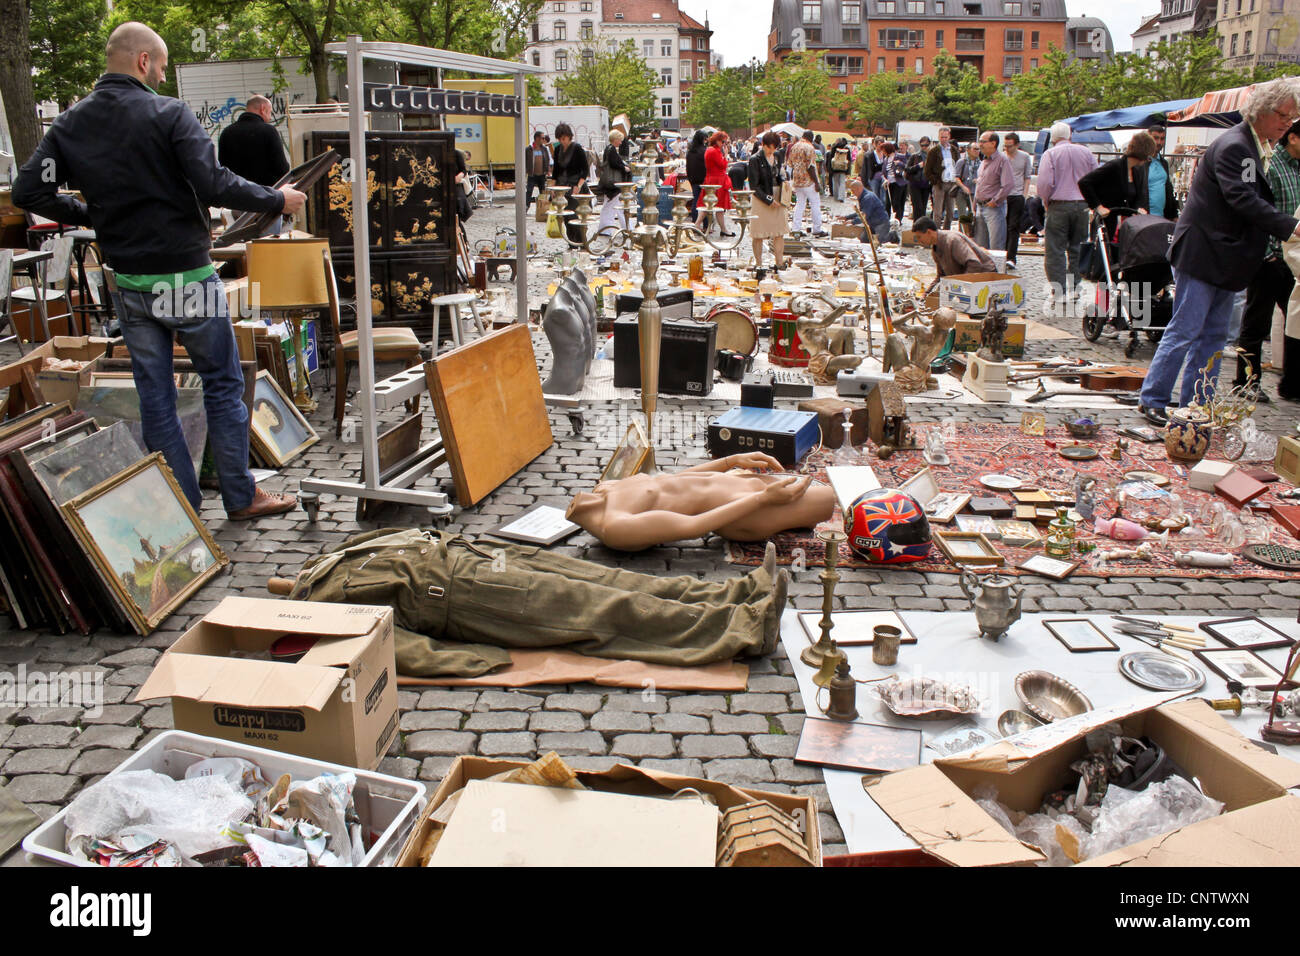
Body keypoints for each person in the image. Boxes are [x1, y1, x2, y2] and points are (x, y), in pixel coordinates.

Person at [13, 22, 303, 519]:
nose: (162, 77)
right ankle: (241, 496)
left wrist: (93, 215)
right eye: (163, 67)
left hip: (127, 279)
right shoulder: (168, 112)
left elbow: (28, 194)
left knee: (156, 396)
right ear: (143, 61)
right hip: (184, 278)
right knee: (222, 383)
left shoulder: (68, 125)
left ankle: (184, 509)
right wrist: (277, 197)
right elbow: (213, 183)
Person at [287, 528, 790, 675]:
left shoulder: (335, 557)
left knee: (607, 580)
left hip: (482, 558)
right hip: (470, 597)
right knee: (600, 610)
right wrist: (474, 660)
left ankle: (736, 592)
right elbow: (390, 646)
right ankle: (744, 629)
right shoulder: (321, 605)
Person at [1139, 78, 1300, 426]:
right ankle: (1153, 397)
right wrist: (1290, 226)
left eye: (1293, 117)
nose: (1289, 123)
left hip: (1226, 256)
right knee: (1186, 329)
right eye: (1284, 115)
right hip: (1205, 252)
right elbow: (1242, 198)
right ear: (1262, 111)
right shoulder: (1236, 146)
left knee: (1213, 336)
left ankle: (1199, 401)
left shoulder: (1255, 145)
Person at [566, 452, 833, 552]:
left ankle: (795, 522)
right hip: (742, 510)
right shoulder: (616, 527)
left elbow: (672, 482)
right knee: (830, 500)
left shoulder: (606, 487)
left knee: (813, 492)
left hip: (738, 487)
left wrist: (730, 461)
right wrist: (762, 499)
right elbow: (693, 526)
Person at [1236, 117, 1300, 402]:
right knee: (1256, 323)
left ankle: (1292, 384)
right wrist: (1266, 255)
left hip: (1293, 259)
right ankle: (1246, 381)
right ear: (1294, 138)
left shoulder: (1296, 169)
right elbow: (1254, 207)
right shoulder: (1271, 164)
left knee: (1295, 325)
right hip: (1270, 257)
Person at [1036, 122, 1098, 308]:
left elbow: (1045, 183)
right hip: (1082, 205)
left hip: (1059, 204)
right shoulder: (1086, 152)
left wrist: (1046, 201)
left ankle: (1059, 290)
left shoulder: (1051, 154)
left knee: (1055, 249)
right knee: (1077, 247)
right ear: (1070, 135)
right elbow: (1096, 176)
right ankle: (1075, 287)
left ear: (1053, 138)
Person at [217, 95, 289, 234]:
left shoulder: (227, 133)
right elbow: (282, 169)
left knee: (244, 248)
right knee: (267, 249)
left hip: (238, 203)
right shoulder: (269, 132)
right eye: (270, 112)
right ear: (263, 109)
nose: (269, 117)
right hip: (266, 202)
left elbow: (223, 169)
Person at [1079, 132, 1154, 241]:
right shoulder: (1114, 166)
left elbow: (1137, 196)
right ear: (1143, 154)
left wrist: (1138, 209)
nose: (1148, 160)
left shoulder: (1137, 171)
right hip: (1108, 224)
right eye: (1148, 157)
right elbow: (1084, 182)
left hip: (1126, 228)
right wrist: (1098, 206)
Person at [748, 131, 787, 270]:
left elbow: (780, 175)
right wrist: (768, 199)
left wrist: (786, 186)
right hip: (761, 198)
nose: (772, 150)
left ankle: (779, 262)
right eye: (769, 147)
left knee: (779, 232)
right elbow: (754, 186)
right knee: (758, 233)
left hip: (778, 195)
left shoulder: (777, 156)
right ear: (763, 145)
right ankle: (758, 263)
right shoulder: (755, 159)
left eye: (774, 148)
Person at [911, 216, 997, 277]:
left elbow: (974, 264)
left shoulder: (952, 240)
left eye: (919, 237)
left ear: (929, 232)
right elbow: (941, 277)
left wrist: (961, 285)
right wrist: (927, 294)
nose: (919, 241)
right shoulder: (935, 249)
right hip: (966, 279)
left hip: (985, 276)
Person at [974, 131, 1014, 254]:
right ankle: (983, 272)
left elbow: (1008, 184)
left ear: (993, 143)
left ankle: (995, 272)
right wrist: (975, 204)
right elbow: (980, 183)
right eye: (979, 141)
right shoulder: (984, 161)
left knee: (995, 247)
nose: (980, 144)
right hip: (980, 207)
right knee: (980, 246)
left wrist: (995, 201)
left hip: (993, 209)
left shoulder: (1002, 160)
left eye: (983, 141)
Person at [550, 122, 589, 243]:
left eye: (564, 138)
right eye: (560, 139)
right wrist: (552, 187)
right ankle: (571, 243)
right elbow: (555, 171)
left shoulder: (577, 148)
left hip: (574, 186)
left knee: (574, 216)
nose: (562, 141)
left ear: (569, 136)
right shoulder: (557, 150)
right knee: (565, 217)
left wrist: (578, 185)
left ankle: (580, 243)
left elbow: (585, 170)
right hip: (561, 187)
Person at [1002, 132, 1033, 271]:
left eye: (1010, 146)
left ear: (1017, 145)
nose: (1007, 149)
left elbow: (1027, 176)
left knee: (1013, 226)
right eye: (1005, 146)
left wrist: (1024, 194)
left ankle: (1011, 257)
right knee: (1002, 225)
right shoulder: (1002, 156)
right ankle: (1002, 253)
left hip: (1017, 195)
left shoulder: (1025, 157)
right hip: (1002, 195)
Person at [697, 130, 735, 236]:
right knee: (716, 205)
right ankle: (721, 228)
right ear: (717, 141)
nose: (724, 144)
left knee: (711, 205)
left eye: (725, 142)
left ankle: (721, 228)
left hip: (713, 179)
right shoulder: (714, 151)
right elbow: (722, 165)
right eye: (723, 142)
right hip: (717, 181)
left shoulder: (711, 150)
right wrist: (726, 155)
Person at [788, 130, 825, 237]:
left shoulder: (794, 147)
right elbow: (811, 167)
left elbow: (790, 164)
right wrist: (817, 182)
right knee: (815, 203)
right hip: (808, 181)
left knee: (800, 204)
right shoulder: (809, 147)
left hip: (797, 180)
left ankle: (796, 229)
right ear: (811, 138)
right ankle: (817, 229)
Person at [925, 126, 963, 229]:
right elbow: (927, 170)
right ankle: (936, 233)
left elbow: (959, 165)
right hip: (939, 184)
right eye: (942, 137)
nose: (944, 139)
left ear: (949, 137)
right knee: (937, 212)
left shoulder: (954, 150)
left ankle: (946, 231)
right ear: (939, 137)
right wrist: (935, 181)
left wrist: (957, 180)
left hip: (951, 183)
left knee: (950, 212)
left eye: (946, 137)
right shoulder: (933, 151)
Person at [597, 128, 631, 233]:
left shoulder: (609, 148)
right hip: (613, 183)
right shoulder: (611, 149)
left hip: (609, 182)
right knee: (614, 205)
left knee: (612, 205)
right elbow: (614, 163)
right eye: (619, 140)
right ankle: (624, 228)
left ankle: (608, 228)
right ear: (615, 139)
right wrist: (624, 167)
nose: (621, 142)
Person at [1146, 124, 1180, 220]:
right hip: (1143, 218)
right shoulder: (1140, 162)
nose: (1159, 142)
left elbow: (1168, 189)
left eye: (1162, 139)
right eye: (1155, 138)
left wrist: (1174, 215)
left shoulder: (1163, 162)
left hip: (1161, 218)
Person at [848, 177, 896, 244]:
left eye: (853, 190)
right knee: (864, 240)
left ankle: (892, 236)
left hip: (881, 223)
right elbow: (860, 212)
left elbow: (864, 215)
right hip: (871, 223)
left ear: (859, 189)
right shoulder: (862, 196)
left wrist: (852, 221)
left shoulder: (868, 198)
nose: (852, 193)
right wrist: (847, 217)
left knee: (879, 242)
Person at [954, 142, 982, 237]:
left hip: (975, 192)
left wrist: (979, 180)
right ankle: (961, 235)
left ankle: (972, 235)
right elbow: (956, 178)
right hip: (962, 192)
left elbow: (984, 177)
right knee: (962, 215)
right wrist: (963, 186)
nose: (977, 151)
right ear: (968, 150)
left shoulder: (981, 163)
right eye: (975, 149)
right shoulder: (961, 162)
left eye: (978, 149)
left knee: (974, 215)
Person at [905, 136, 932, 222]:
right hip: (915, 184)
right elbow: (907, 169)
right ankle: (916, 226)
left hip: (926, 184)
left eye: (926, 145)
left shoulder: (931, 156)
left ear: (929, 145)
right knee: (917, 207)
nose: (924, 147)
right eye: (922, 145)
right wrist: (918, 166)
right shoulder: (915, 156)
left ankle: (922, 226)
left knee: (923, 207)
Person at [685, 128, 708, 218]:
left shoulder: (690, 151)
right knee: (705, 202)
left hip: (694, 179)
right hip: (704, 179)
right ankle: (706, 225)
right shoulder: (705, 150)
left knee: (696, 201)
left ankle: (695, 222)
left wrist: (690, 178)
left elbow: (688, 167)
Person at [524, 130, 551, 209]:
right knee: (529, 191)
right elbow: (525, 160)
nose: (544, 140)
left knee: (542, 192)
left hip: (542, 175)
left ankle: (542, 208)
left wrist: (548, 170)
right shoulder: (529, 149)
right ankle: (526, 207)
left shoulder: (544, 149)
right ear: (537, 138)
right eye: (542, 138)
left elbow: (547, 159)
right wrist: (525, 171)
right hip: (532, 174)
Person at [882, 142, 907, 222]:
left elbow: (907, 167)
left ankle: (897, 220)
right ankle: (887, 219)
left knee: (897, 202)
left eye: (884, 150)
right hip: (889, 183)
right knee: (888, 203)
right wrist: (885, 179)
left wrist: (899, 163)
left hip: (898, 183)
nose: (883, 152)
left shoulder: (900, 156)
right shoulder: (886, 159)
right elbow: (884, 172)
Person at [827, 137, 852, 202]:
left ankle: (836, 196)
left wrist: (830, 169)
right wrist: (848, 170)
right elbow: (849, 160)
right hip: (843, 168)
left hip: (835, 168)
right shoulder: (847, 148)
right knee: (842, 182)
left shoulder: (834, 148)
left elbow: (831, 158)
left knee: (835, 182)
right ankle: (841, 197)